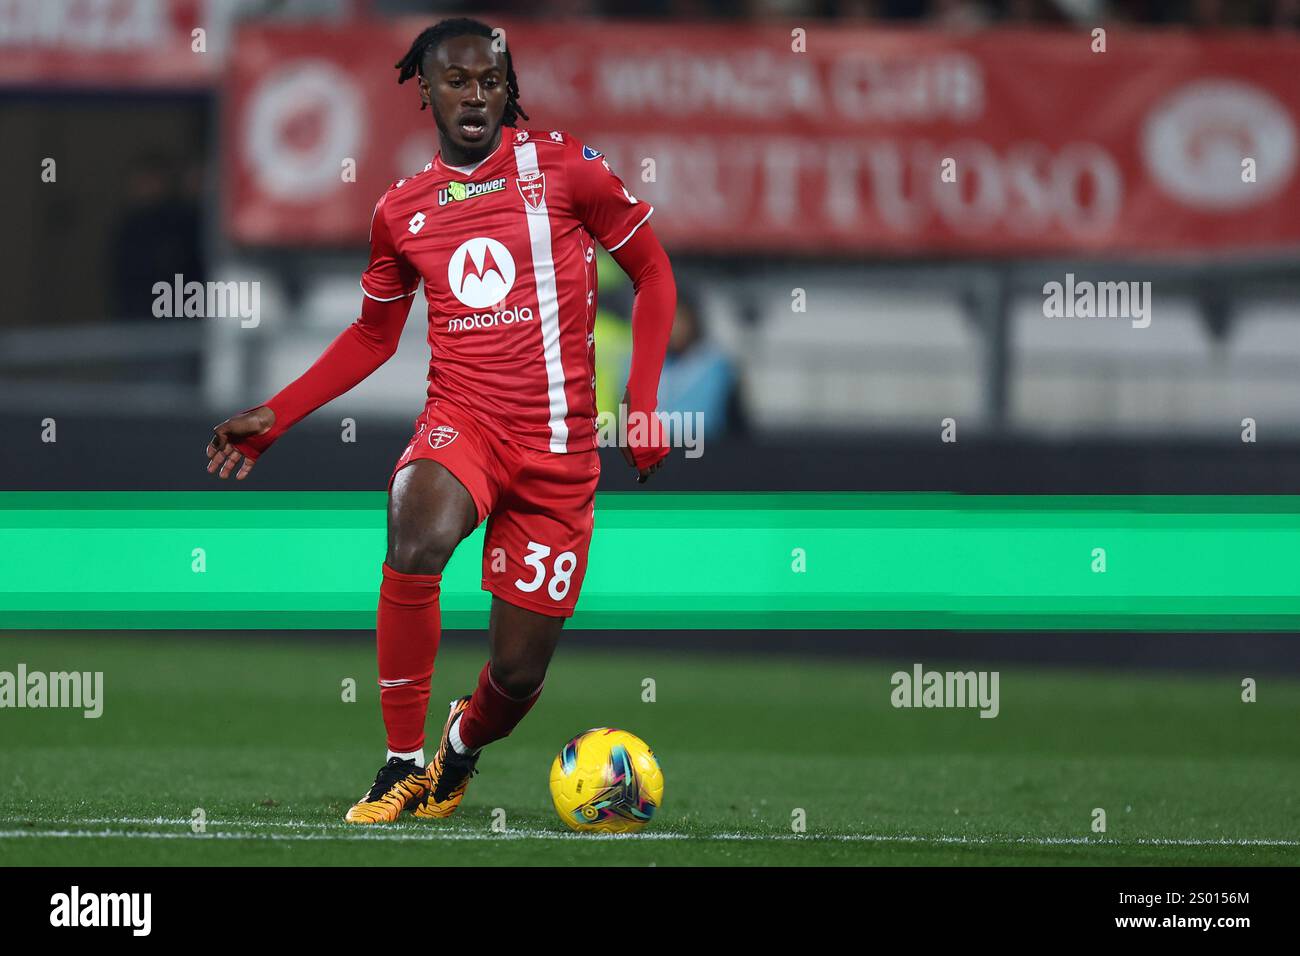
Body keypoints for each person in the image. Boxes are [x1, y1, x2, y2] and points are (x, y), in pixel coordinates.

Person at [205, 17, 676, 823]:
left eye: (491, 81)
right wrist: (277, 415)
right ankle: (398, 763)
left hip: (560, 450)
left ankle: (459, 746)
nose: (476, 95)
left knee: (520, 676)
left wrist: (644, 403)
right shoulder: (402, 211)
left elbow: (653, 271)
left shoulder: (565, 169)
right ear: (423, 89)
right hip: (465, 424)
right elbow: (372, 335)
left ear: (509, 89)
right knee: (415, 533)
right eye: (457, 80)